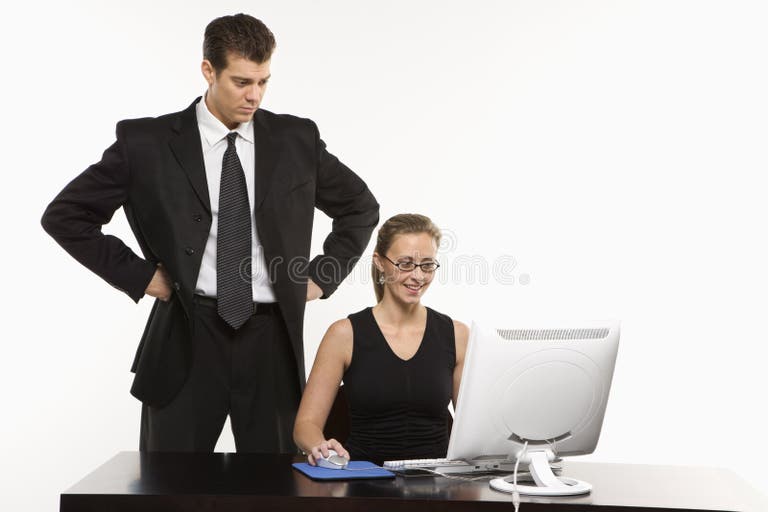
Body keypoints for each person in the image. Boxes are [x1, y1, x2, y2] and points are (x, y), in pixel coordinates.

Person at [40, 14, 379, 453]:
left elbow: (361, 207)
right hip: (187, 332)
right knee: (168, 484)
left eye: (263, 81)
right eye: (241, 81)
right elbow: (66, 215)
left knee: (276, 486)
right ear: (208, 70)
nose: (254, 95)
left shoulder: (296, 138)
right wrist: (141, 276)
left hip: (271, 337)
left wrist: (321, 277)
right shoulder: (146, 142)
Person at [293, 214, 469, 465]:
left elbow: (473, 427)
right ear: (379, 262)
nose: (418, 276)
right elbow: (305, 425)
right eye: (405, 263)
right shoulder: (344, 334)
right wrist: (322, 447)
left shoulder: (457, 334)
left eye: (427, 265)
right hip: (364, 482)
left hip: (438, 487)